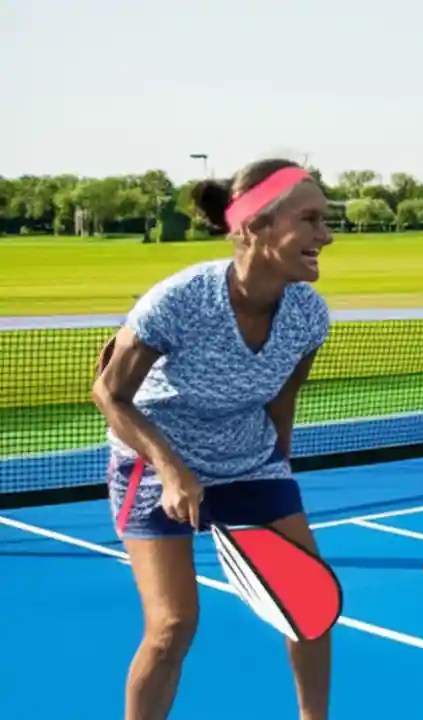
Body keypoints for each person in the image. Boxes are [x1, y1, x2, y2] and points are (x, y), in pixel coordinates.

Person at [92, 159, 335, 719]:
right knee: (172, 626)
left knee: (310, 607)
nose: (325, 235)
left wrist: (278, 472)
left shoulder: (309, 316)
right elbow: (109, 394)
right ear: (255, 227)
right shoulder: (179, 301)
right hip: (155, 463)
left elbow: (281, 402)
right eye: (310, 219)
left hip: (249, 461)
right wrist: (172, 469)